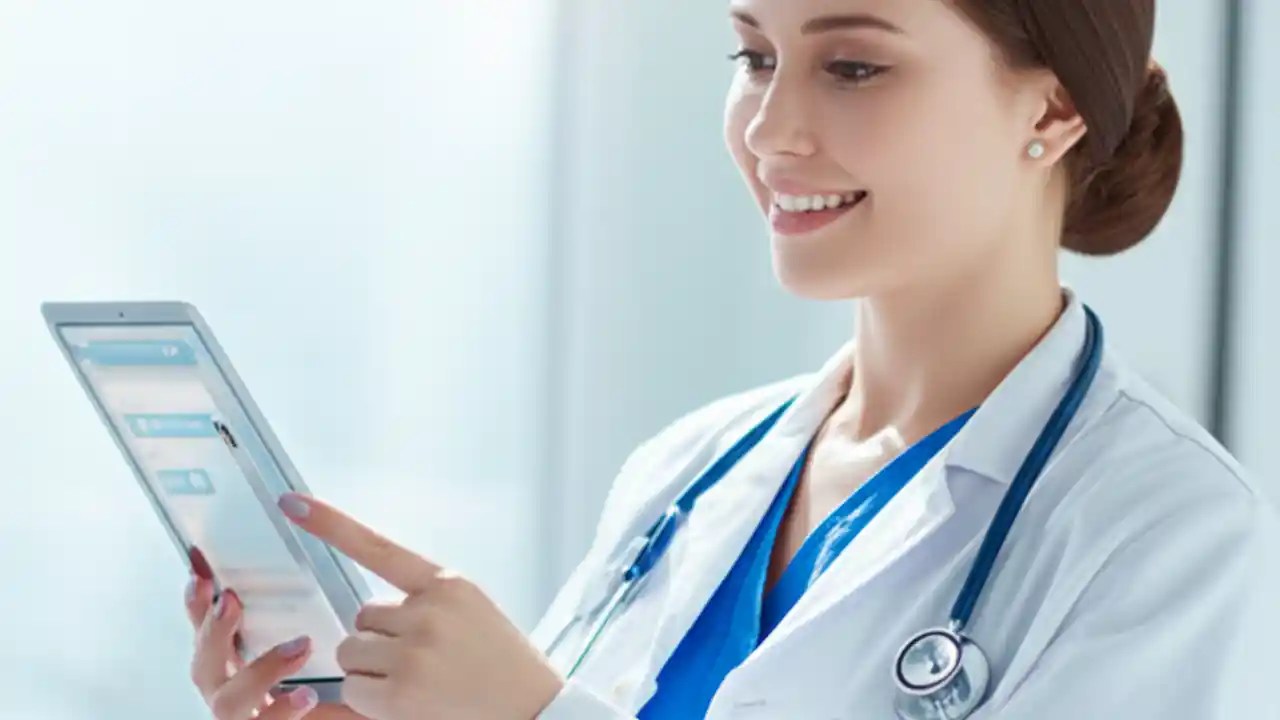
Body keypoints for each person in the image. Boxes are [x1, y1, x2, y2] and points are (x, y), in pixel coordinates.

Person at [180, 0, 1280, 718]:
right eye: (753, 57)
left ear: (1048, 109)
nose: (767, 129)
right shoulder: (689, 467)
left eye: (850, 66)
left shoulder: (1165, 532)